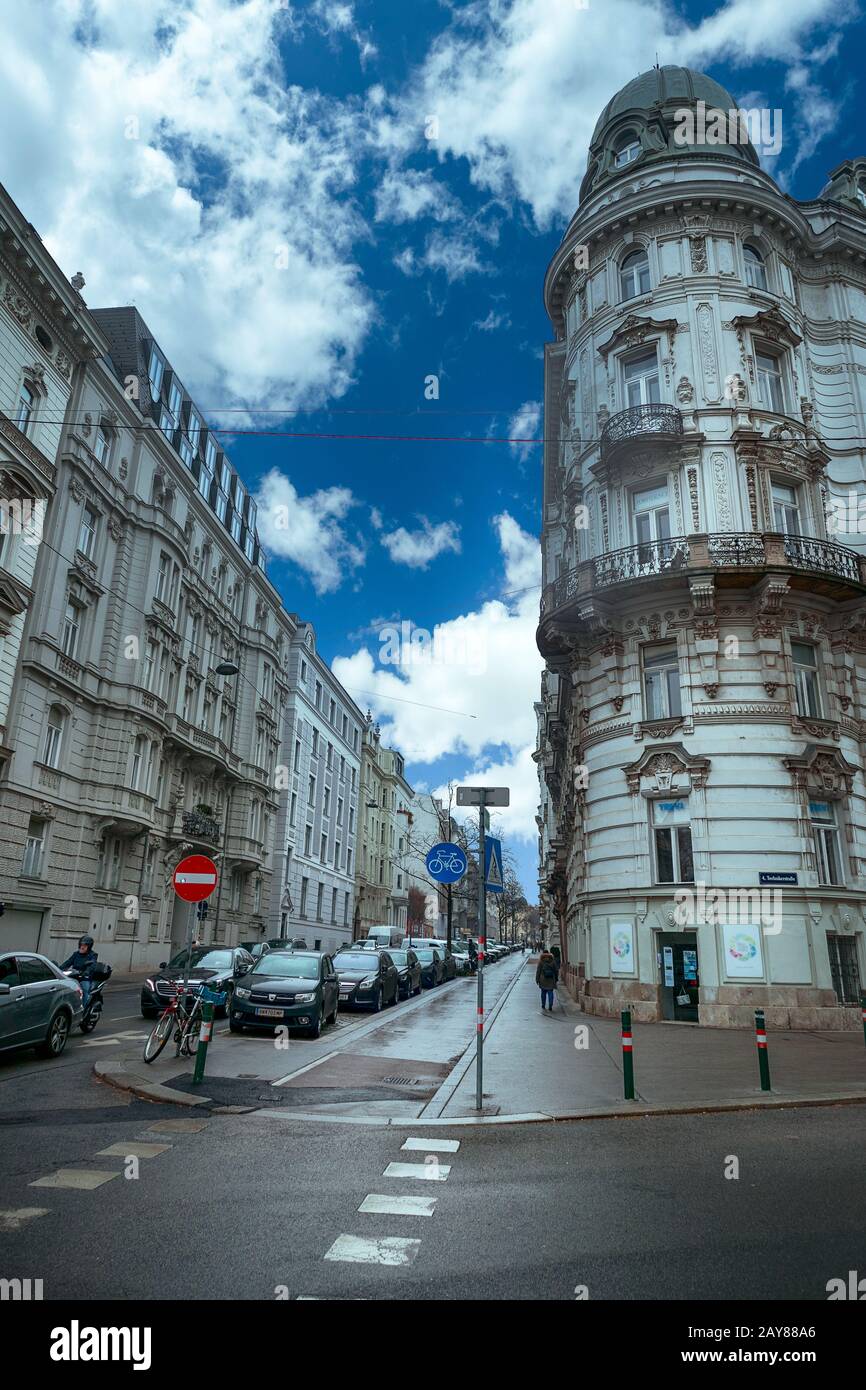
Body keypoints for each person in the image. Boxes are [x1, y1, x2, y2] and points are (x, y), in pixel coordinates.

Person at [61, 934, 98, 1009]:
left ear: (89, 946)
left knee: (84, 990)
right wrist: (58, 969)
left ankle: (84, 1009)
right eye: (81, 944)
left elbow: (92, 964)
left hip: (85, 977)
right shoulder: (76, 954)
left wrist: (87, 971)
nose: (82, 947)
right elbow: (68, 962)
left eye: (84, 945)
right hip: (74, 976)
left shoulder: (93, 955)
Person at [535, 947, 559, 1012]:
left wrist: (537, 979)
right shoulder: (552, 961)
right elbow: (556, 970)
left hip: (543, 979)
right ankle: (550, 1006)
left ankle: (543, 1005)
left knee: (543, 992)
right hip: (551, 979)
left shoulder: (541, 961)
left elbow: (538, 971)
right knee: (550, 992)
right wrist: (556, 978)